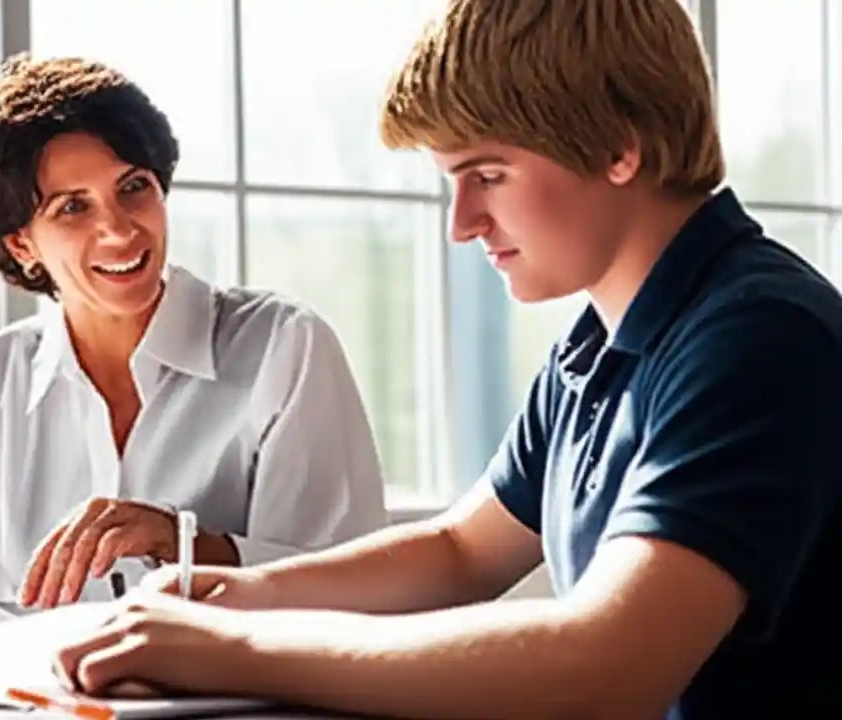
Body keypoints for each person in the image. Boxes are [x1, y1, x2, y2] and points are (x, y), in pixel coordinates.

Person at [53, 1, 842, 717]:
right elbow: (463, 551)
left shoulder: (758, 336)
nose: (460, 224)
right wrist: (249, 595)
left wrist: (236, 650)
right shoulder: (601, 341)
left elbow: (610, 664)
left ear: (618, 147)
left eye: (487, 175)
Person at [0, 55, 387, 622]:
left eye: (134, 187)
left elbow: (352, 584)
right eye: (73, 207)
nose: (118, 229)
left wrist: (180, 543)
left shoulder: (284, 347)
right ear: (22, 245)